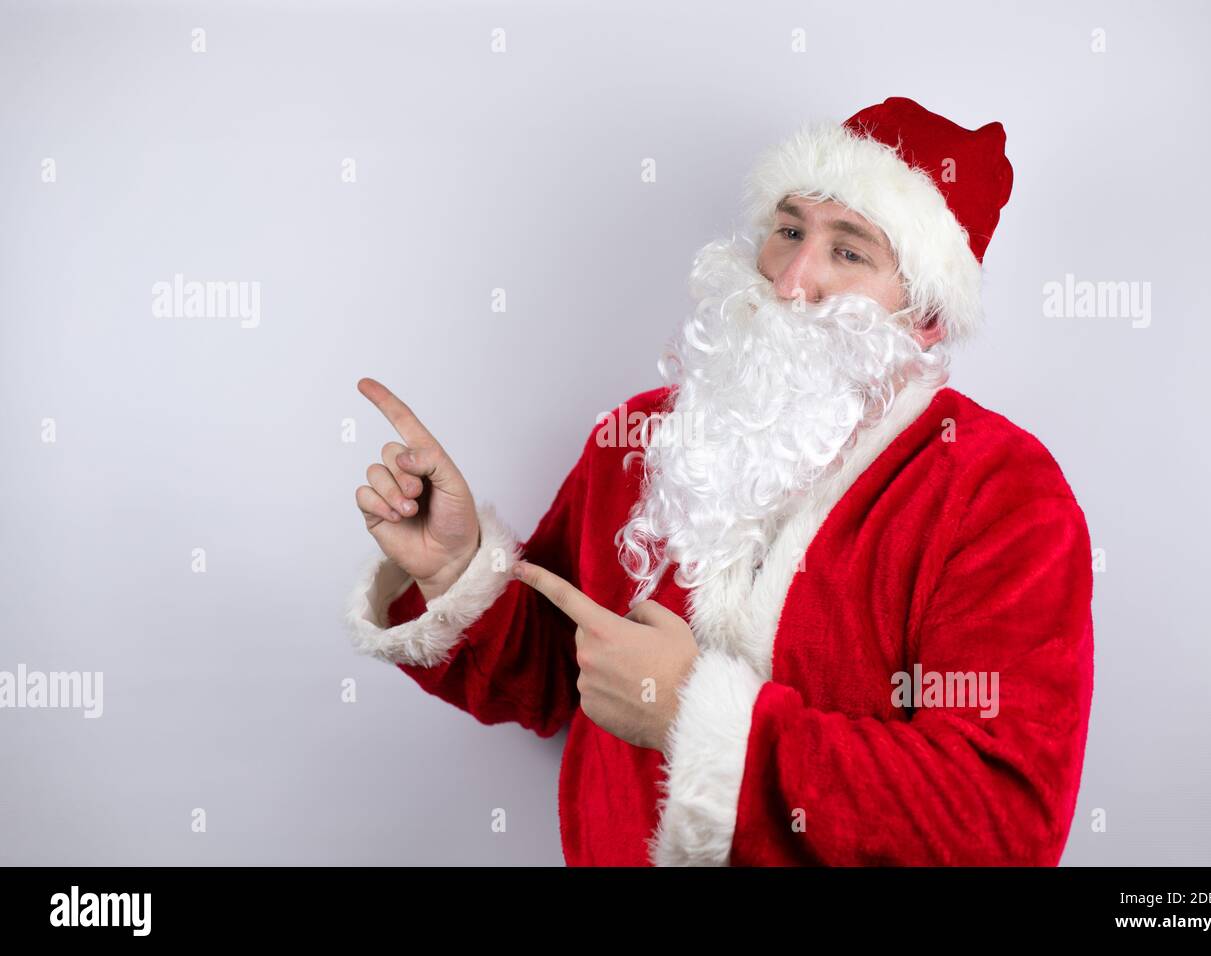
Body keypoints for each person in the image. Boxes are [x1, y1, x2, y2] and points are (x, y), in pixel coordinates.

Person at [344, 96, 1094, 867]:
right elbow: (551, 677)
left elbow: (998, 826)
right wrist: (457, 572)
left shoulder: (999, 491)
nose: (793, 281)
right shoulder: (636, 440)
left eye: (849, 252)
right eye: (791, 229)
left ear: (928, 316)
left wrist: (691, 714)